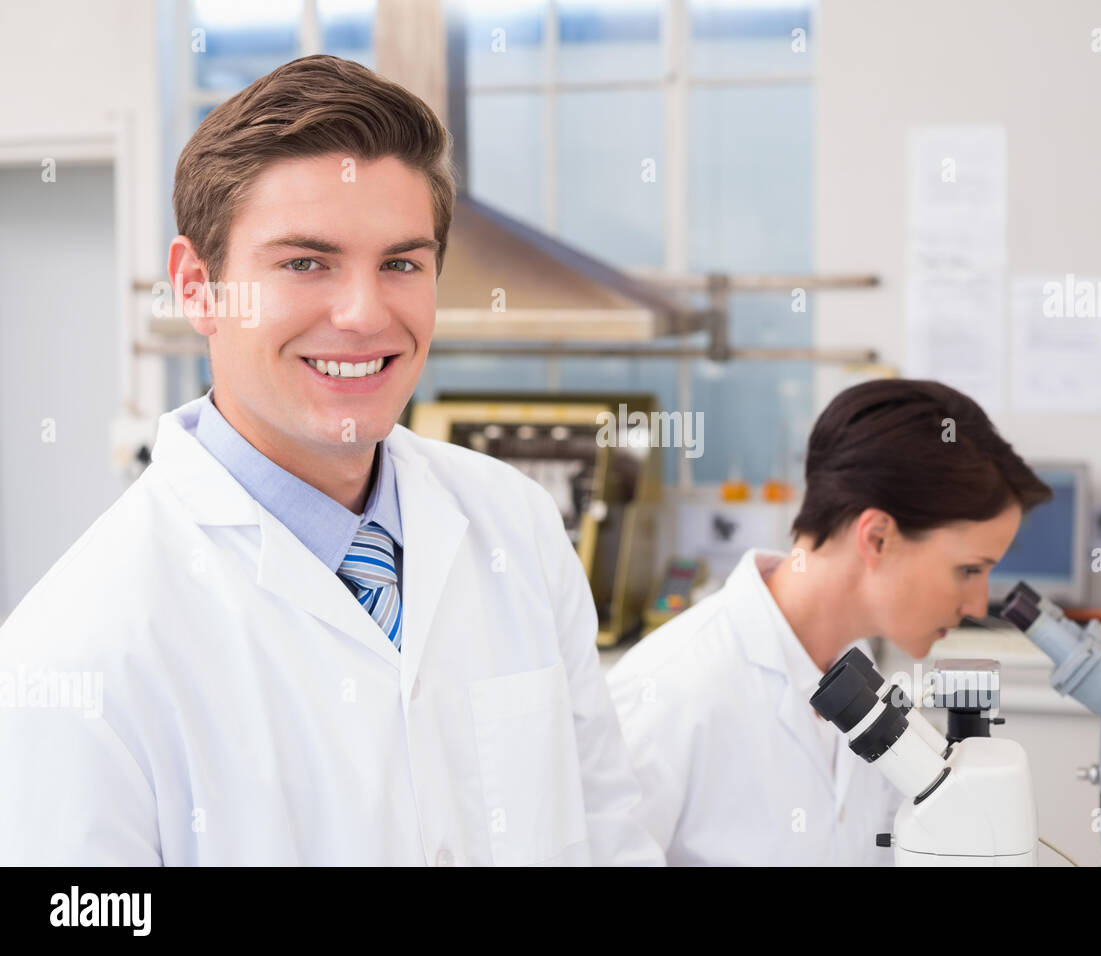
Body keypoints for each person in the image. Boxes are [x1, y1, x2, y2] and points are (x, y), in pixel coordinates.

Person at [0, 55, 661, 866]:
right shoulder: (82, 645)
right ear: (198, 289)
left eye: (401, 264)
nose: (363, 313)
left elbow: (610, 838)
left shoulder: (513, 525)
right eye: (305, 263)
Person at [606, 378, 1052, 865]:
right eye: (969, 570)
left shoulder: (868, 689)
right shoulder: (666, 692)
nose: (976, 606)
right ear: (878, 537)